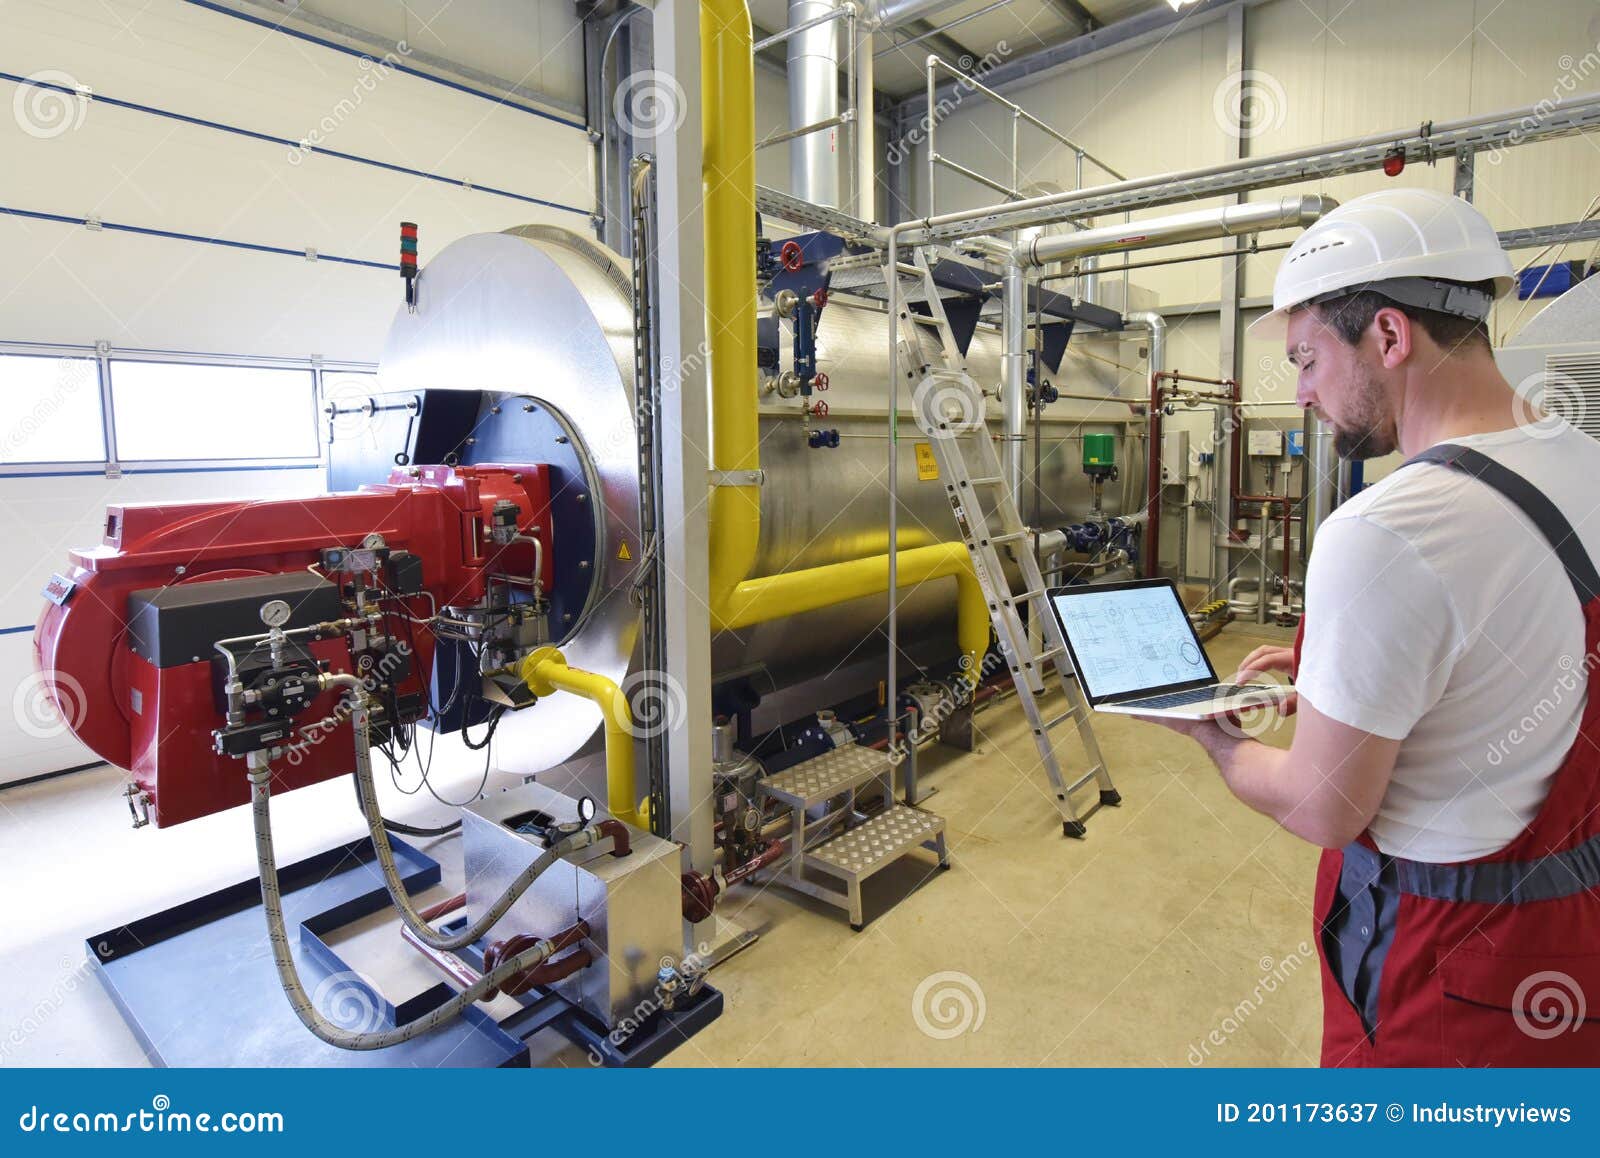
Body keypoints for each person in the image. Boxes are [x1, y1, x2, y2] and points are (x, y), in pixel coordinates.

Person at [1139, 186, 1600, 1066]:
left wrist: (1217, 741)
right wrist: (1335, 667)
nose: (1303, 393)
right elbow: (1514, 650)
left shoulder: (1388, 527)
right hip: (1573, 942)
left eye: (1308, 360)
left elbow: (1325, 807)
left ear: (1388, 336)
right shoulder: (1584, 460)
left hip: (1450, 978)